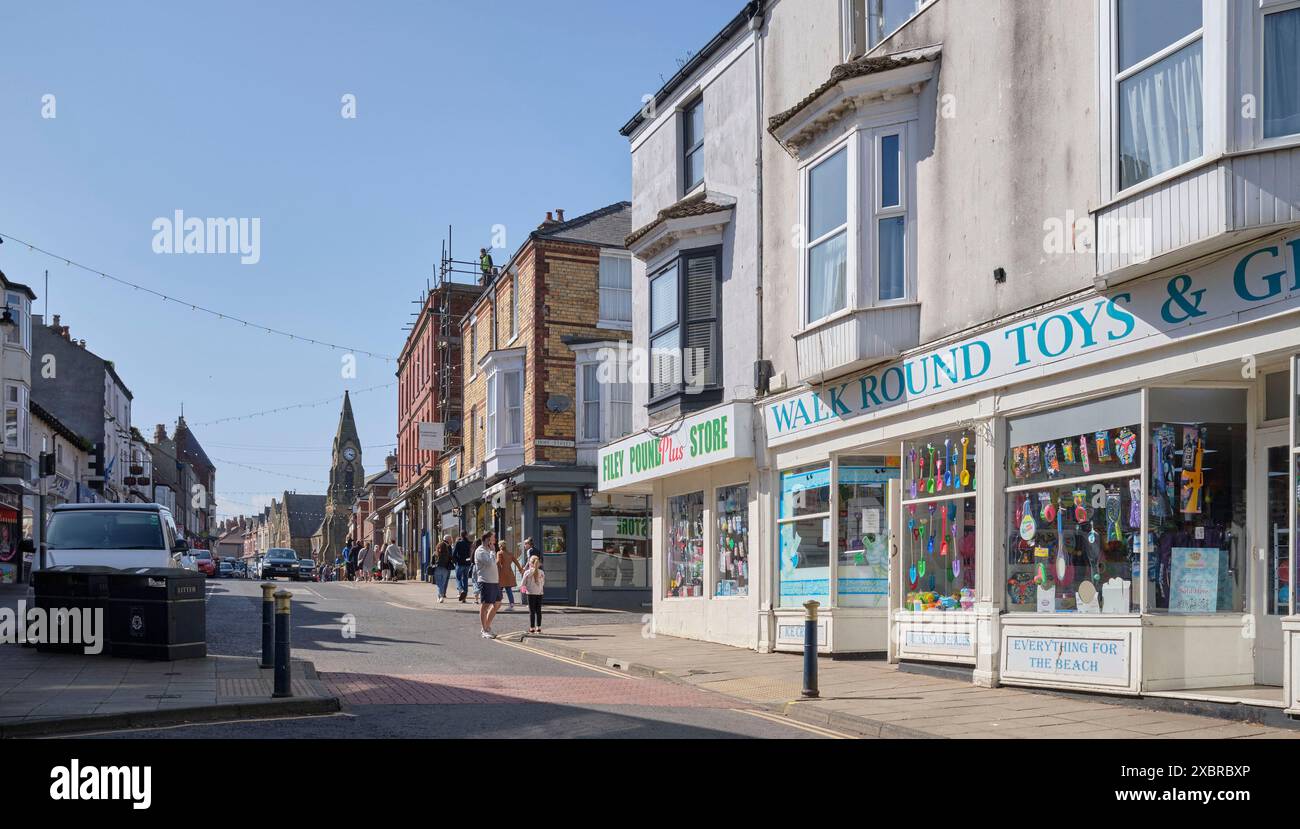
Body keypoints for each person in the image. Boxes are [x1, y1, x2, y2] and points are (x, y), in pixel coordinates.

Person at [474, 531, 502, 638]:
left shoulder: (490, 551)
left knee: (497, 604)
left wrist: (492, 552)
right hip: (485, 581)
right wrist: (492, 551)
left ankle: (487, 626)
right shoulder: (480, 551)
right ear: (487, 539)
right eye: (493, 538)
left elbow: (494, 564)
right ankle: (484, 629)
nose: (495, 540)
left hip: (494, 581)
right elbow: (490, 563)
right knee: (485, 605)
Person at [496, 536, 523, 612]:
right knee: (508, 589)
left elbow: (498, 562)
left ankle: (497, 603)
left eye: (499, 545)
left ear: (500, 546)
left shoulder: (499, 553)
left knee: (499, 589)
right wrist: (521, 569)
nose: (499, 546)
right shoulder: (510, 554)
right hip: (509, 573)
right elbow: (517, 562)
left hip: (501, 573)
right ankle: (511, 604)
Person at [522, 554, 545, 634]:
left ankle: (532, 628)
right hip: (539, 593)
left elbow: (523, 584)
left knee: (532, 611)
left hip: (530, 593)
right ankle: (539, 627)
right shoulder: (541, 572)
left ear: (530, 563)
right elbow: (543, 583)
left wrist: (524, 592)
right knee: (538, 610)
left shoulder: (527, 572)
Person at [452, 532, 473, 602]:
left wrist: (456, 561)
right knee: (465, 579)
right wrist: (469, 561)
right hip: (467, 564)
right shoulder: (469, 543)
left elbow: (454, 554)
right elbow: (470, 554)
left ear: (461, 535)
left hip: (460, 563)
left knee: (458, 578)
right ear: (466, 535)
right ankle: (464, 597)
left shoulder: (458, 543)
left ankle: (461, 590)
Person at [432, 534, 454, 602]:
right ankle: (440, 596)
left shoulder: (437, 549)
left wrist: (433, 564)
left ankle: (440, 596)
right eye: (450, 540)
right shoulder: (448, 550)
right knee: (443, 583)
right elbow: (451, 558)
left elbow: (433, 558)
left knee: (439, 583)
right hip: (445, 568)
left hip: (437, 568)